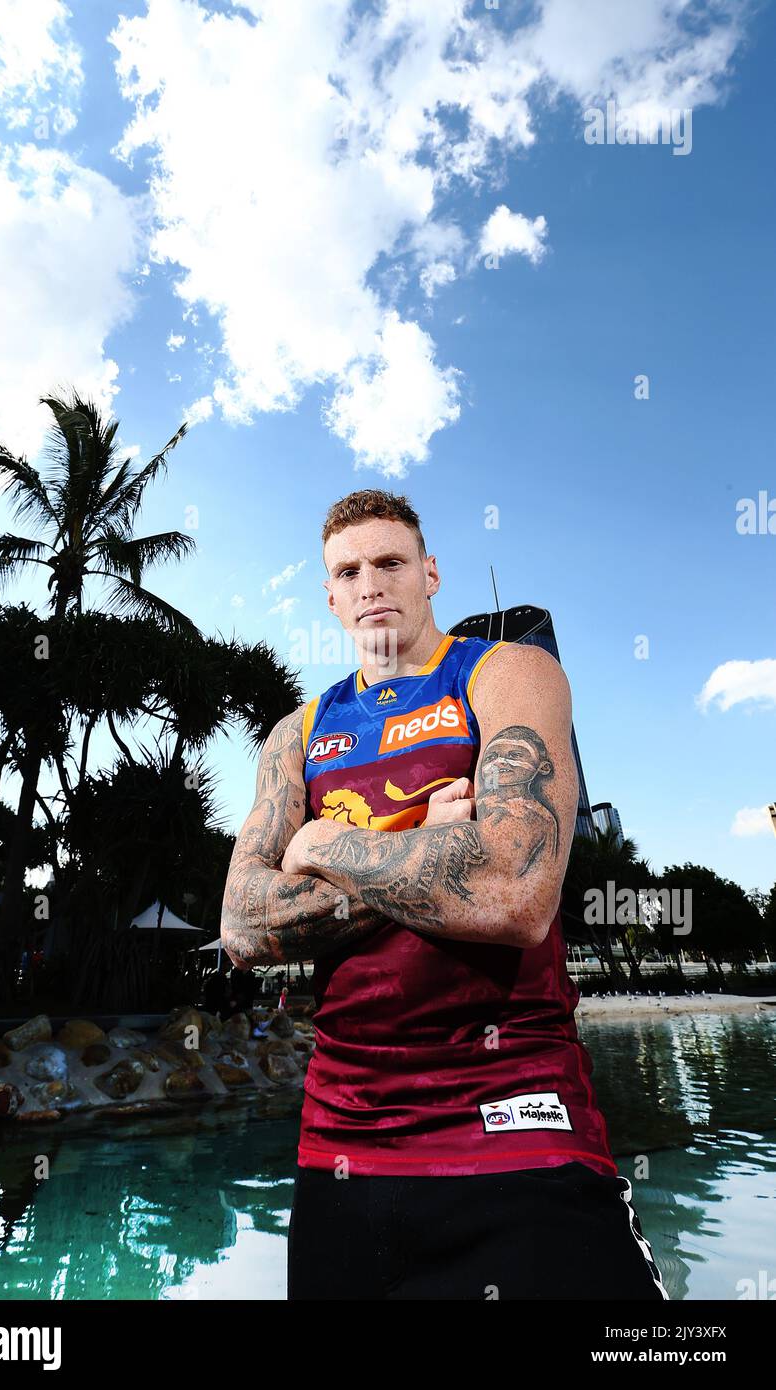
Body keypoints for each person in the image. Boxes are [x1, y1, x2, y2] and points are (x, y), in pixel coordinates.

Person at [221, 488, 668, 1302]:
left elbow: (514, 889)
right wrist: (422, 841)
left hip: (523, 1130)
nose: (370, 584)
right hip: (343, 1148)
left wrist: (322, 847)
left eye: (390, 562)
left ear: (430, 573)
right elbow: (246, 926)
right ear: (329, 595)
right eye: (347, 571)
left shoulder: (508, 674)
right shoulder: (299, 732)